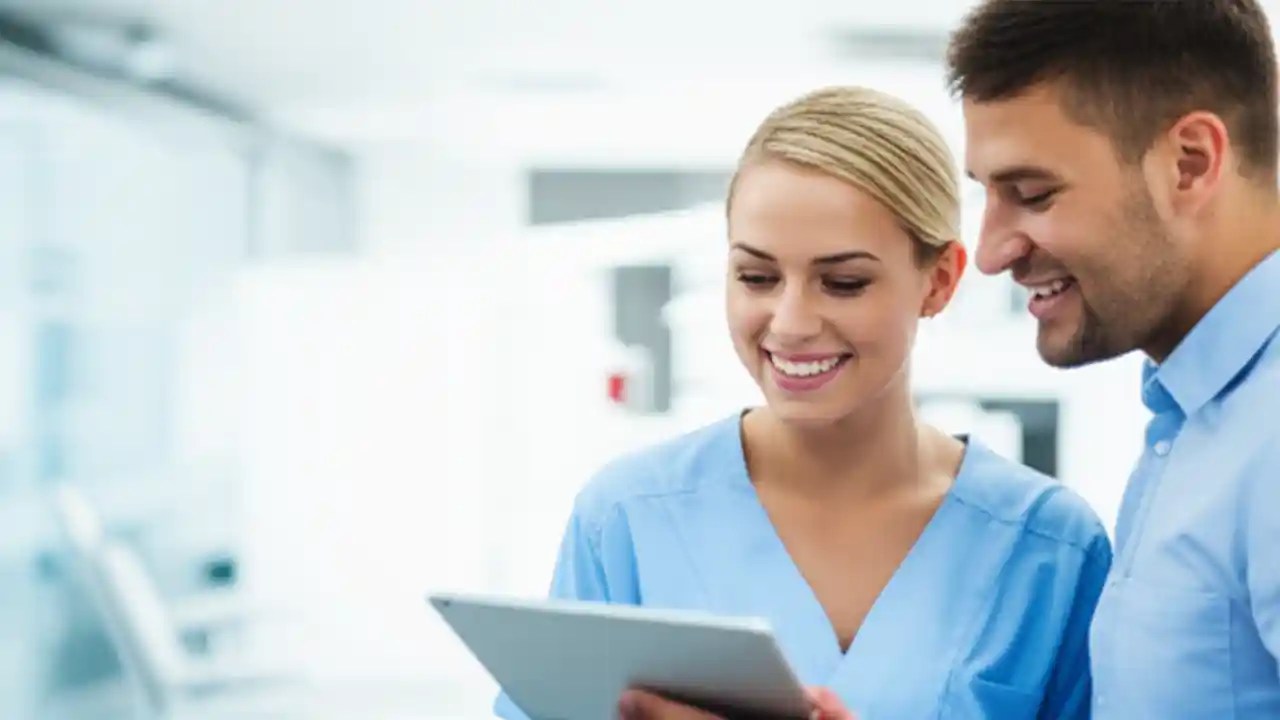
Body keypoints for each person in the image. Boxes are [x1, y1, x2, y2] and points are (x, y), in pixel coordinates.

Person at [493, 86, 1112, 720]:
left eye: (844, 283)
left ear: (940, 281)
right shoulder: (628, 519)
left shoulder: (1051, 549)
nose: (789, 324)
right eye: (756, 277)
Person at [945, 0, 1280, 717]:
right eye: (987, 195)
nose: (993, 250)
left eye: (1031, 194)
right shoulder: (1196, 417)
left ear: (1189, 163)